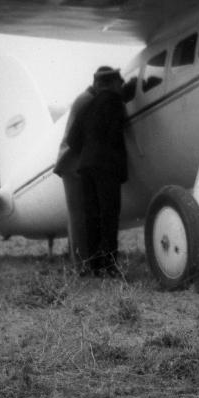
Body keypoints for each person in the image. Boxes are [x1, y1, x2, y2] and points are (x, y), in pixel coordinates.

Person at [64, 66, 129, 276]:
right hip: (107, 165)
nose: (122, 87)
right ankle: (110, 266)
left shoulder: (87, 105)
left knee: (92, 217)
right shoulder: (115, 103)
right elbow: (118, 131)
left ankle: (95, 265)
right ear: (112, 84)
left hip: (87, 166)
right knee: (109, 216)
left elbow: (72, 140)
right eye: (120, 83)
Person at [54, 75, 98, 274]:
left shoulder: (84, 98)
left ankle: (79, 262)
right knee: (78, 216)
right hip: (72, 163)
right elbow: (74, 137)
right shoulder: (87, 101)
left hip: (70, 162)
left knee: (77, 215)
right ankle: (80, 265)